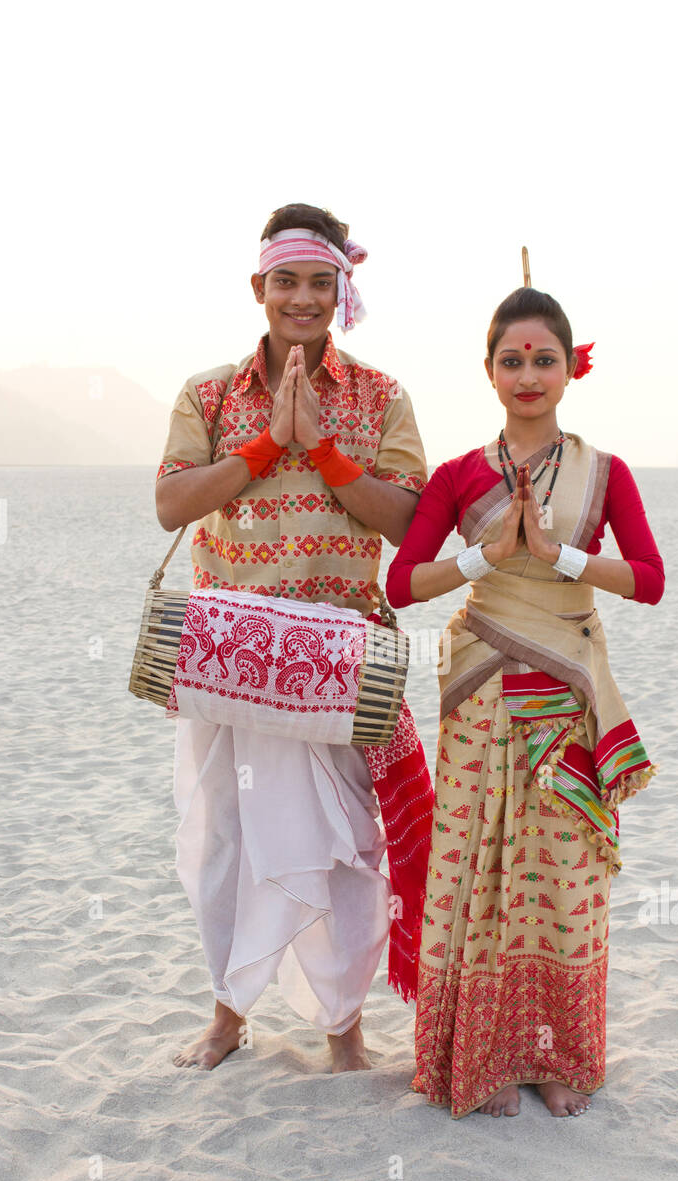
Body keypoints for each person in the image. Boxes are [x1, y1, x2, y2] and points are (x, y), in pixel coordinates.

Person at [155, 202, 428, 1073]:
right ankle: (228, 1015)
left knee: (347, 846)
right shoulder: (207, 393)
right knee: (225, 840)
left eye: (320, 282)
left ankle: (342, 1027)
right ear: (259, 288)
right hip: (232, 658)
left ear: (341, 286)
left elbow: (412, 521)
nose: (302, 299)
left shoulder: (382, 396)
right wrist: (271, 443)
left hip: (337, 665)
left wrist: (330, 455)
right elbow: (171, 504)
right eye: (287, 282)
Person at [385, 287, 664, 1118]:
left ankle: (553, 1056)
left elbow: (649, 582)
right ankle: (486, 1056)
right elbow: (400, 585)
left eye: (545, 359)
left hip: (565, 695)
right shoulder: (459, 475)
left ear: (570, 369)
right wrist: (485, 557)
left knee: (558, 880)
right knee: (476, 871)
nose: (529, 374)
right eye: (514, 360)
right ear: (489, 372)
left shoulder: (604, 475)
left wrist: (563, 556)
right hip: (480, 690)